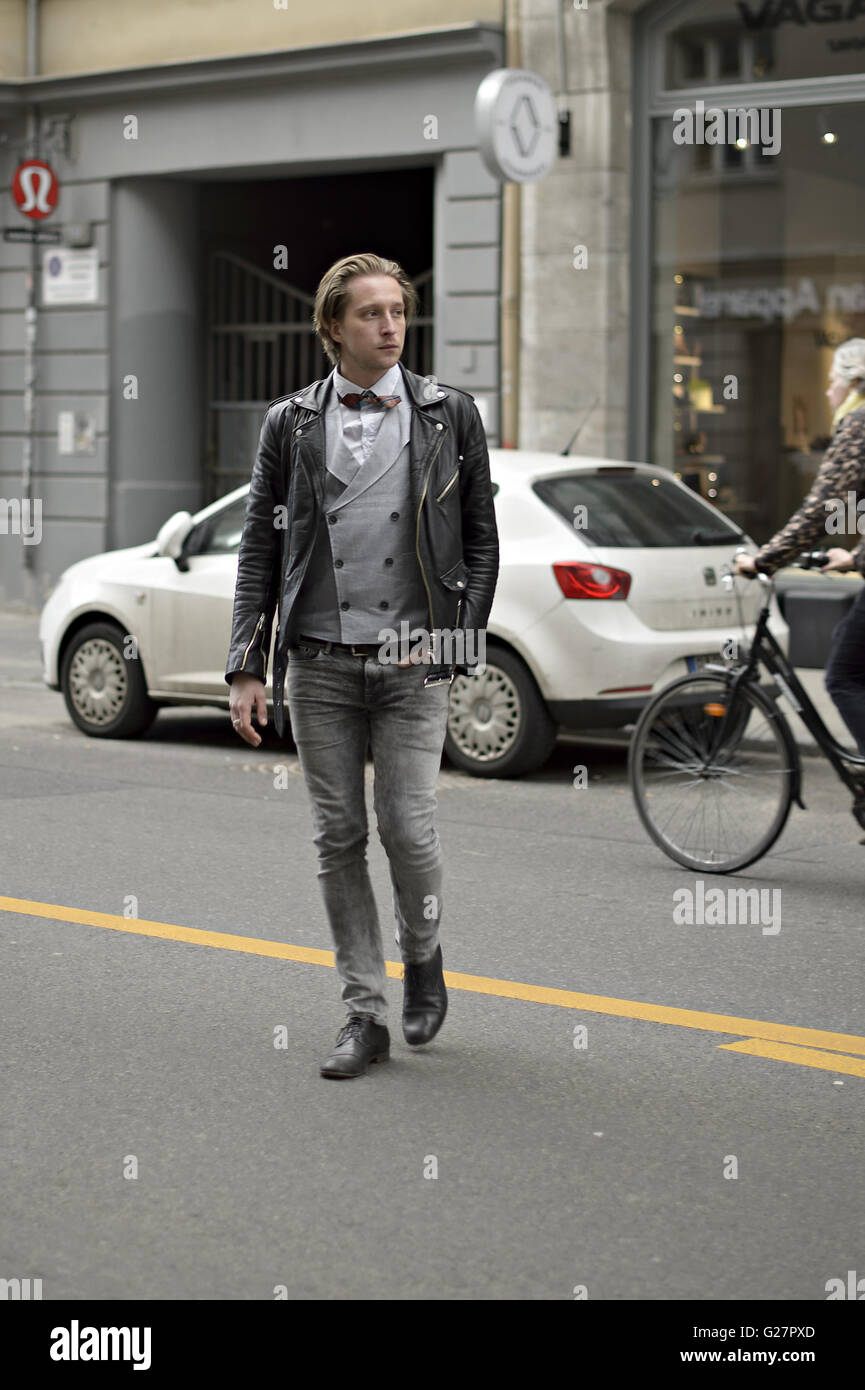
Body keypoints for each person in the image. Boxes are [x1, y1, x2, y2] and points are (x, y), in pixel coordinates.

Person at [224, 252, 499, 1078]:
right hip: (318, 665)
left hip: (413, 664)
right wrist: (246, 662)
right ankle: (361, 1013)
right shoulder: (289, 423)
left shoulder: (450, 413)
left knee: (408, 829)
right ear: (332, 327)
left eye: (397, 313)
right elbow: (259, 547)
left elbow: (480, 542)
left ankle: (423, 954)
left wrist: (458, 636)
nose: (389, 327)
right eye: (371, 314)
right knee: (337, 835)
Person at [734, 338, 865, 754]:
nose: (827, 392)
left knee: (843, 676)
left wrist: (764, 560)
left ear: (854, 384)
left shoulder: (859, 423)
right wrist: (856, 556)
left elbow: (822, 508)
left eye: (831, 382)